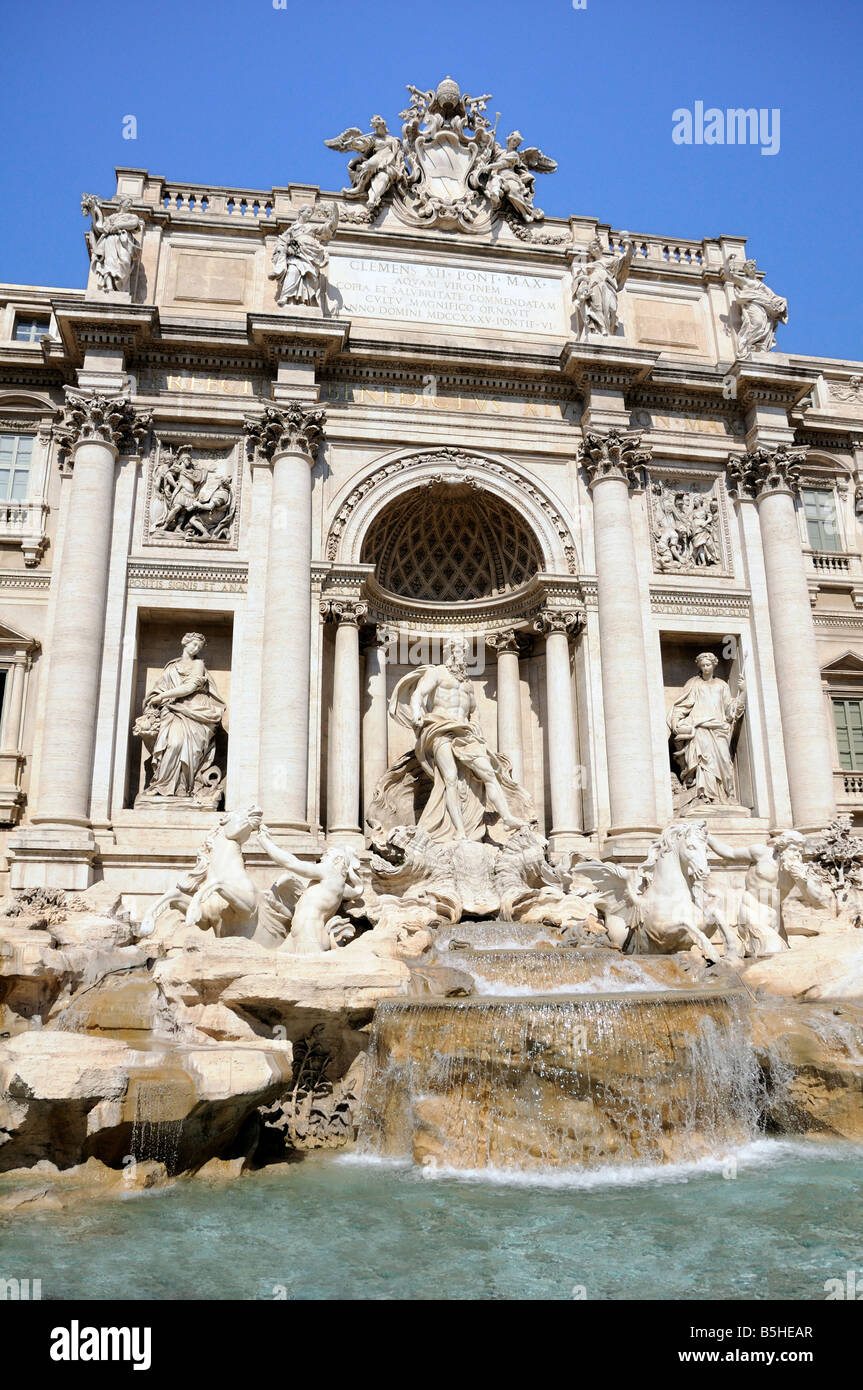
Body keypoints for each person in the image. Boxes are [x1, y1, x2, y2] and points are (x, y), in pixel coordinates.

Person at [137, 633, 225, 800]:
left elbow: (190, 687)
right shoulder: (171, 667)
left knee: (189, 751)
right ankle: (162, 785)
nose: (195, 649)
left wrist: (162, 697)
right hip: (172, 711)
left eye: (199, 647)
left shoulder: (198, 664)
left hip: (195, 711)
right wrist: (156, 699)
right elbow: (158, 688)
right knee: (173, 744)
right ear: (185, 643)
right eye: (193, 645)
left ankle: (184, 788)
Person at [668, 653, 745, 806]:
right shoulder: (694, 683)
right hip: (700, 728)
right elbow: (683, 705)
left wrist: (742, 692)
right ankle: (705, 797)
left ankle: (724, 794)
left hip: (719, 729)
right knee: (704, 763)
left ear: (714, 665)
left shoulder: (722, 685)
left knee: (724, 761)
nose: (705, 667)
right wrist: (676, 721)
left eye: (708, 664)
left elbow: (730, 710)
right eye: (702, 665)